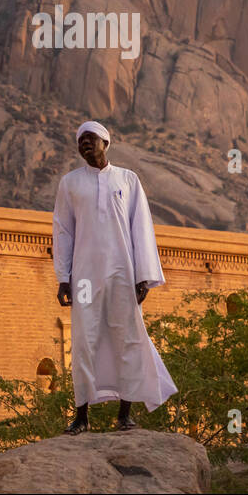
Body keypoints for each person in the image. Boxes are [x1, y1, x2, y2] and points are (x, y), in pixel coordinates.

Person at [52, 120, 177, 433]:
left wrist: (143, 276)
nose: (84, 145)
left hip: (123, 272)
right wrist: (63, 278)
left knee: (128, 338)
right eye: (80, 141)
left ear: (106, 143)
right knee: (83, 341)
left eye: (90, 139)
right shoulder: (70, 183)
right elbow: (63, 232)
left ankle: (125, 415)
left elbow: (141, 228)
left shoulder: (128, 180)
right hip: (83, 277)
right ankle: (81, 417)